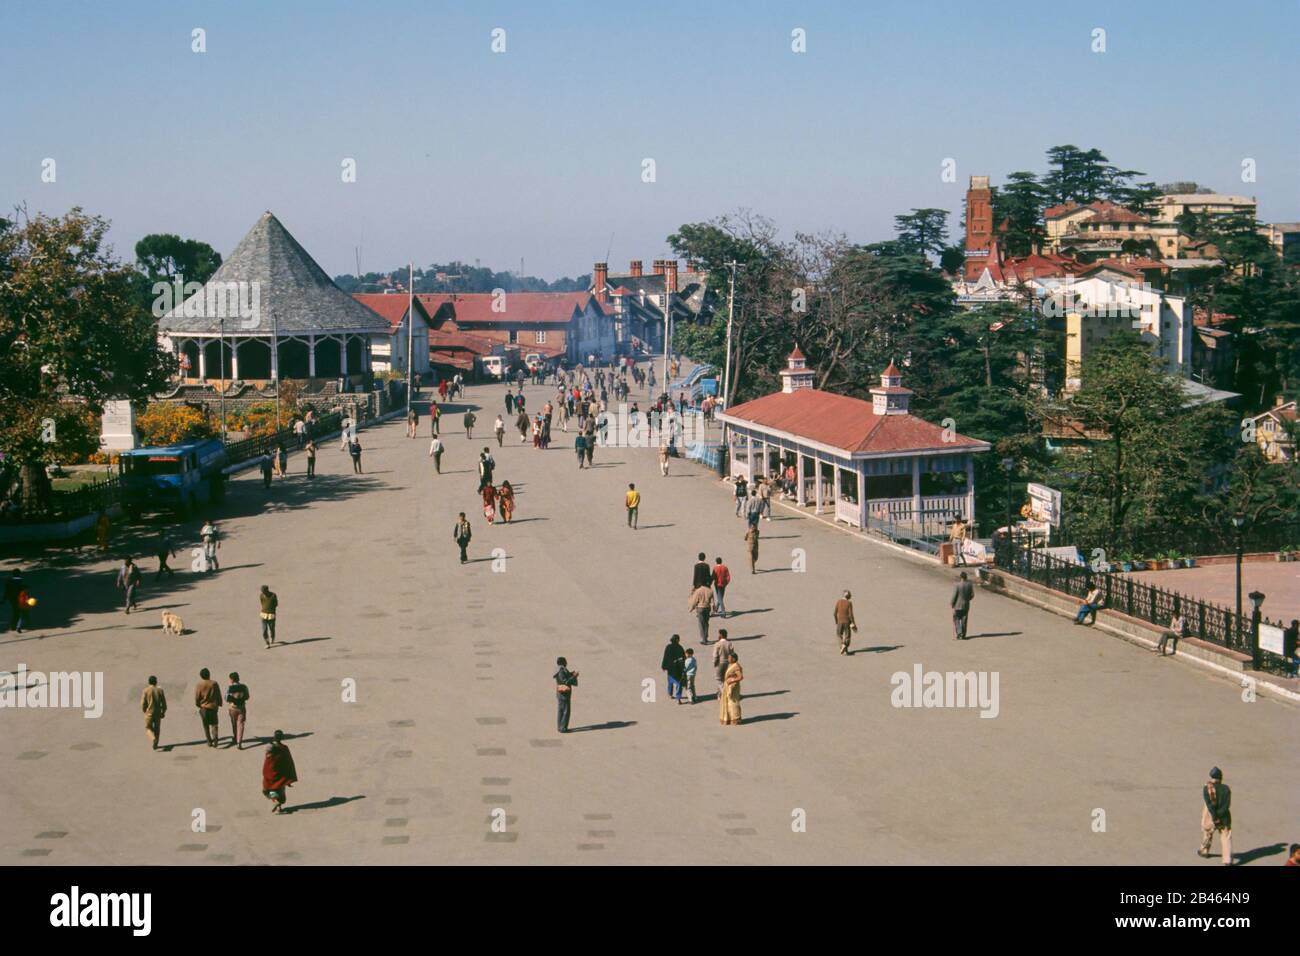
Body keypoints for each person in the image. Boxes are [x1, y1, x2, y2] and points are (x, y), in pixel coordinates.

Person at [1199, 767, 1233, 865]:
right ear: (1220, 777)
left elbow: (1209, 805)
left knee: (1207, 833)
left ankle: (1204, 851)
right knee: (1226, 837)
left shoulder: (1207, 788)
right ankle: (1227, 860)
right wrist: (1219, 815)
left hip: (1210, 816)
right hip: (1224, 817)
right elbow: (1227, 805)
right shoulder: (1226, 788)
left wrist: (1214, 817)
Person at [262, 730, 298, 814]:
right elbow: (289, 762)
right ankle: (279, 809)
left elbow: (268, 762)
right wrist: (289, 778)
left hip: (271, 774)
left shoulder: (270, 747)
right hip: (282, 775)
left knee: (267, 790)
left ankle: (275, 802)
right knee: (280, 791)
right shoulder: (284, 748)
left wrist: (266, 773)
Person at [194, 668, 222, 748]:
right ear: (209, 674)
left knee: (205, 725)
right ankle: (215, 739)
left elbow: (197, 697)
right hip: (213, 707)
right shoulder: (214, 684)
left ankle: (209, 741)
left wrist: (198, 704)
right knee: (214, 724)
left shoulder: (199, 685)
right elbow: (218, 694)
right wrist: (219, 703)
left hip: (203, 708)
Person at [141, 675, 167, 750]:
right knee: (157, 728)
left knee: (148, 728)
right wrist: (163, 712)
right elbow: (164, 703)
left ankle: (153, 739)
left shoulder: (145, 690)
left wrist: (144, 710)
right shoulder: (160, 690)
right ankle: (156, 742)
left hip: (149, 712)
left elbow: (143, 703)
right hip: (158, 713)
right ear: (156, 682)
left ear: (149, 682)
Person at [226, 672, 250, 749]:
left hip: (233, 708)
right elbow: (247, 697)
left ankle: (235, 737)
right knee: (241, 724)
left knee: (234, 723)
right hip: (241, 708)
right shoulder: (244, 687)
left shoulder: (230, 688)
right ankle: (239, 742)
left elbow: (226, 698)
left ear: (232, 679)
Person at [554, 656, 578, 733]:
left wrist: (571, 673)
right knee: (565, 711)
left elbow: (565, 677)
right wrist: (574, 676)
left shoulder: (560, 669)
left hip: (561, 694)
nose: (566, 663)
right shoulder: (561, 671)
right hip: (564, 694)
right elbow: (565, 682)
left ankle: (560, 727)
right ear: (563, 663)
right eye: (565, 662)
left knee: (561, 710)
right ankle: (563, 728)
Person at [719, 652, 743, 726]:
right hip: (728, 686)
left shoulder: (736, 666)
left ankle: (736, 718)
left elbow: (740, 677)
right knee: (728, 702)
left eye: (729, 658)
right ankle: (729, 718)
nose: (728, 659)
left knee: (733, 702)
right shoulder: (732, 665)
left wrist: (732, 680)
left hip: (733, 687)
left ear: (734, 659)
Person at [661, 634, 686, 703]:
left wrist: (664, 666)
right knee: (679, 683)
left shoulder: (668, 647)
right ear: (677, 640)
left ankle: (670, 694)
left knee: (670, 681)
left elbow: (665, 657)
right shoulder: (680, 647)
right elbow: (683, 659)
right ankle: (678, 698)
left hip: (670, 668)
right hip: (678, 669)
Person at [3, 569, 28, 634]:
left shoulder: (9, 581)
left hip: (12, 599)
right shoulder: (20, 581)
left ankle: (14, 625)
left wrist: (4, 600)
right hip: (19, 599)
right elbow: (23, 590)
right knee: (20, 612)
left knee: (16, 611)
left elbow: (7, 592)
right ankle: (17, 626)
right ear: (19, 574)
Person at [951, 571, 975, 640]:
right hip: (966, 605)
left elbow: (954, 595)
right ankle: (964, 635)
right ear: (966, 577)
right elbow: (972, 595)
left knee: (956, 619)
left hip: (958, 605)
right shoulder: (969, 585)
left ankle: (959, 632)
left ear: (961, 577)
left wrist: (952, 603)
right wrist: (967, 599)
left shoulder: (957, 585)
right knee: (964, 620)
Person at [834, 590, 858, 655]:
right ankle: (845, 646)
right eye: (850, 595)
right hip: (847, 622)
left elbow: (834, 613)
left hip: (840, 622)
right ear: (848, 596)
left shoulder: (838, 602)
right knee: (847, 636)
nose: (851, 596)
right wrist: (854, 624)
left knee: (839, 634)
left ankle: (842, 646)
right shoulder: (849, 603)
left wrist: (836, 621)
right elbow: (851, 615)